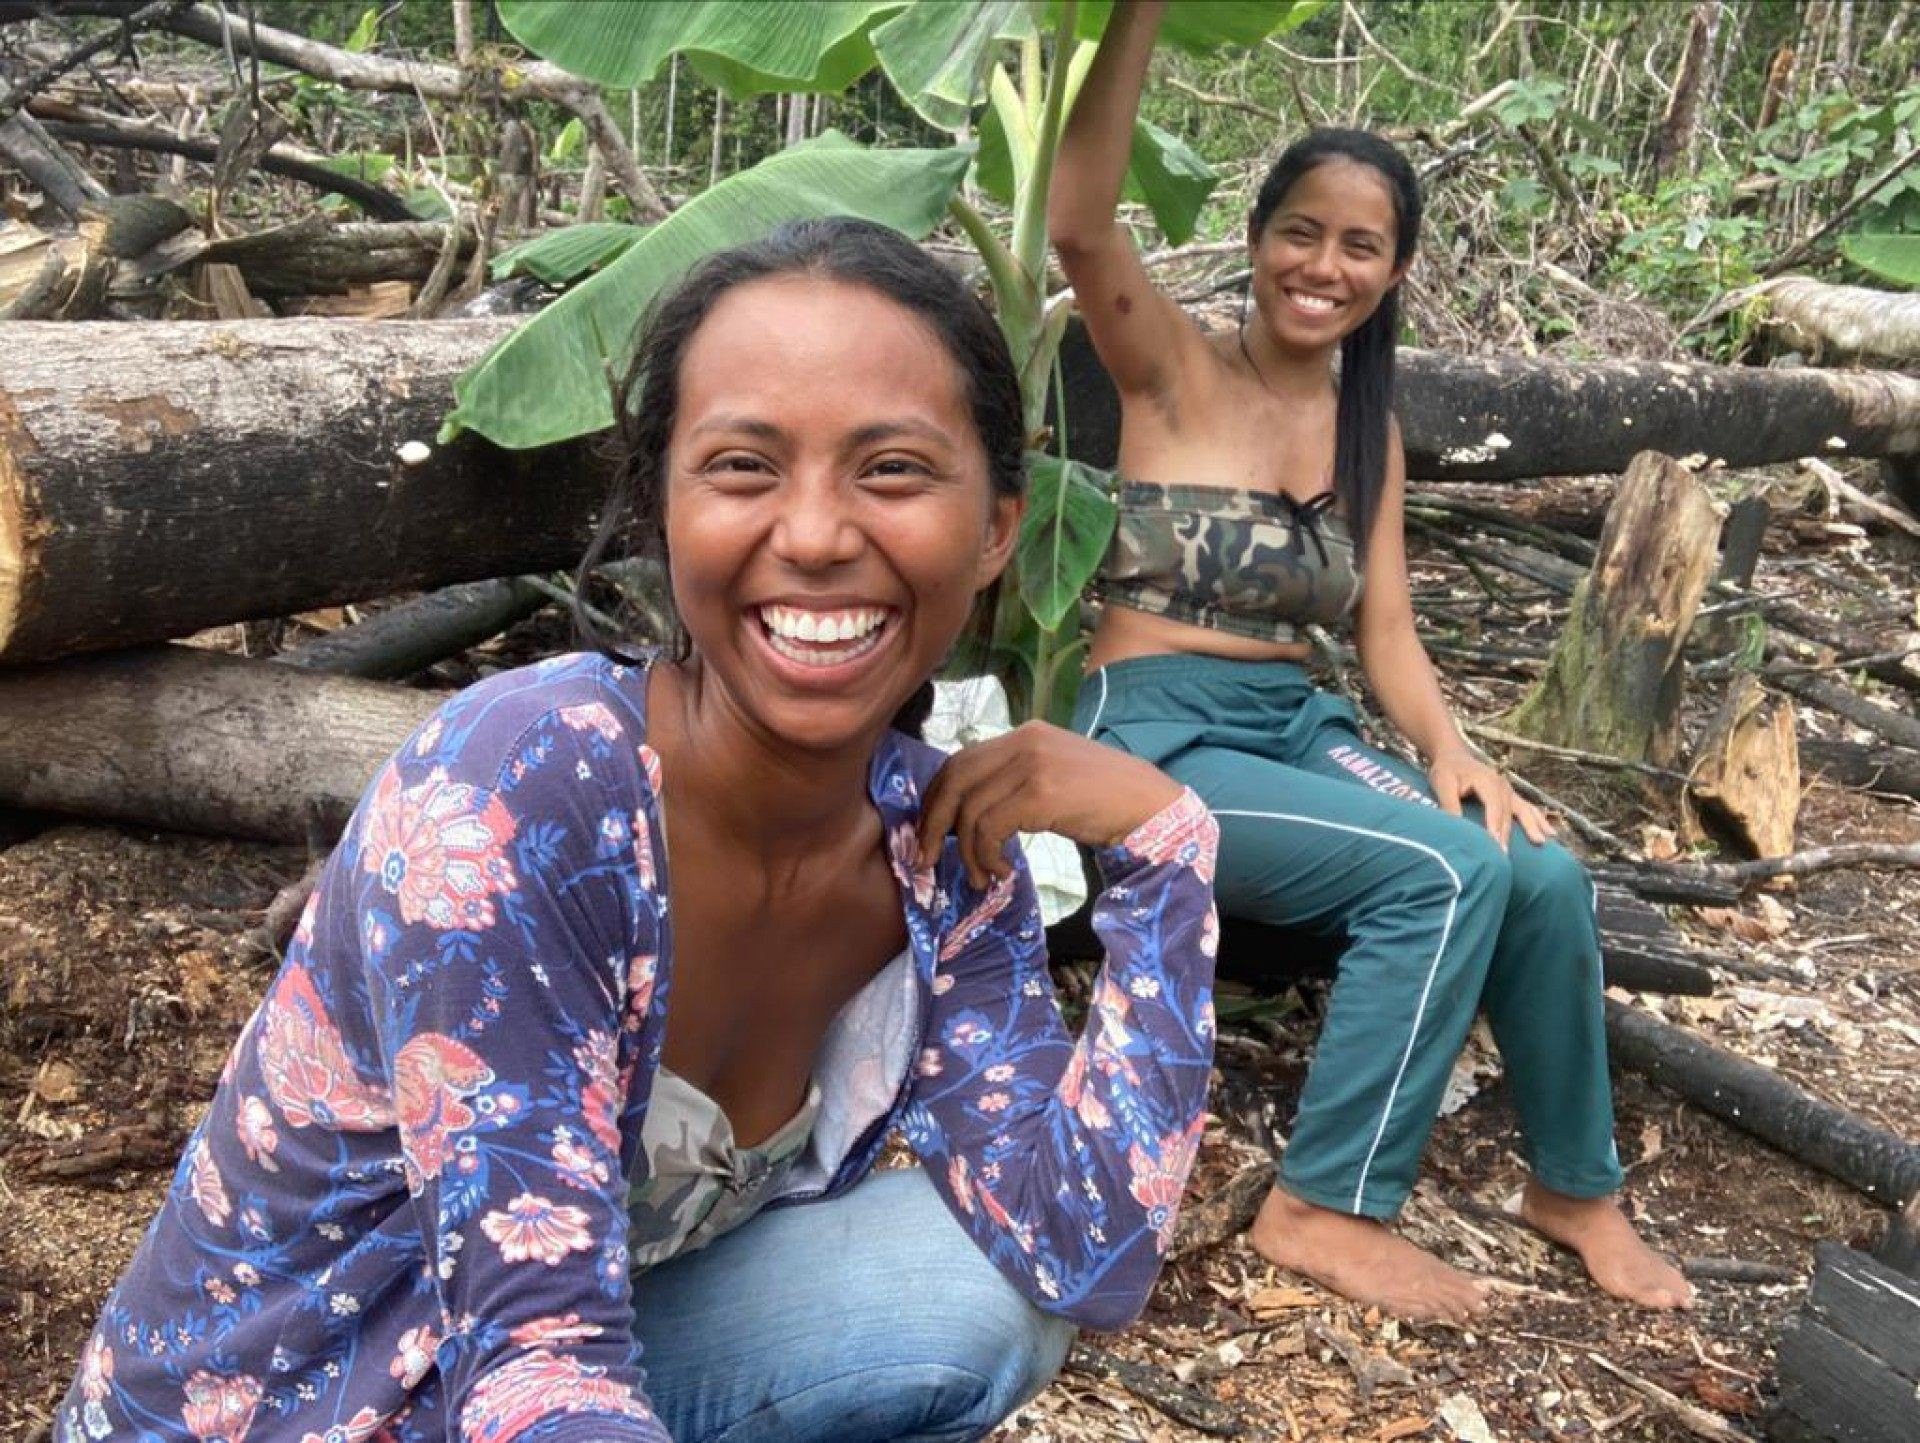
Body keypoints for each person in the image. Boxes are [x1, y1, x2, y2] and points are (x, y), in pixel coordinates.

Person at [58, 218, 1222, 1443]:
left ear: (995, 526)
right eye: (742, 467)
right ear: (662, 506)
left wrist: (1171, 853)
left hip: (559, 1377)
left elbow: (1077, 1250)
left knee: (975, 1299)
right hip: (293, 1411)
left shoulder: (938, 856)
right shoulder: (518, 797)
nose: (818, 535)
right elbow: (533, 1356)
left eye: (891, 469)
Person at [1048, 0, 1691, 1323]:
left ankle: (1575, 1185)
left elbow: (1383, 631)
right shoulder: (1171, 365)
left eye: (1360, 245)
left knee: (1539, 866)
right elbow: (1078, 219)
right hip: (1148, 735)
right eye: (1302, 231)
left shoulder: (1363, 431)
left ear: (1392, 273)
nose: (1323, 264)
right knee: (1440, 873)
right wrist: (1136, 14)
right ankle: (1323, 1207)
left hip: (1290, 724)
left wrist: (1454, 747)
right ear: (1257, 237)